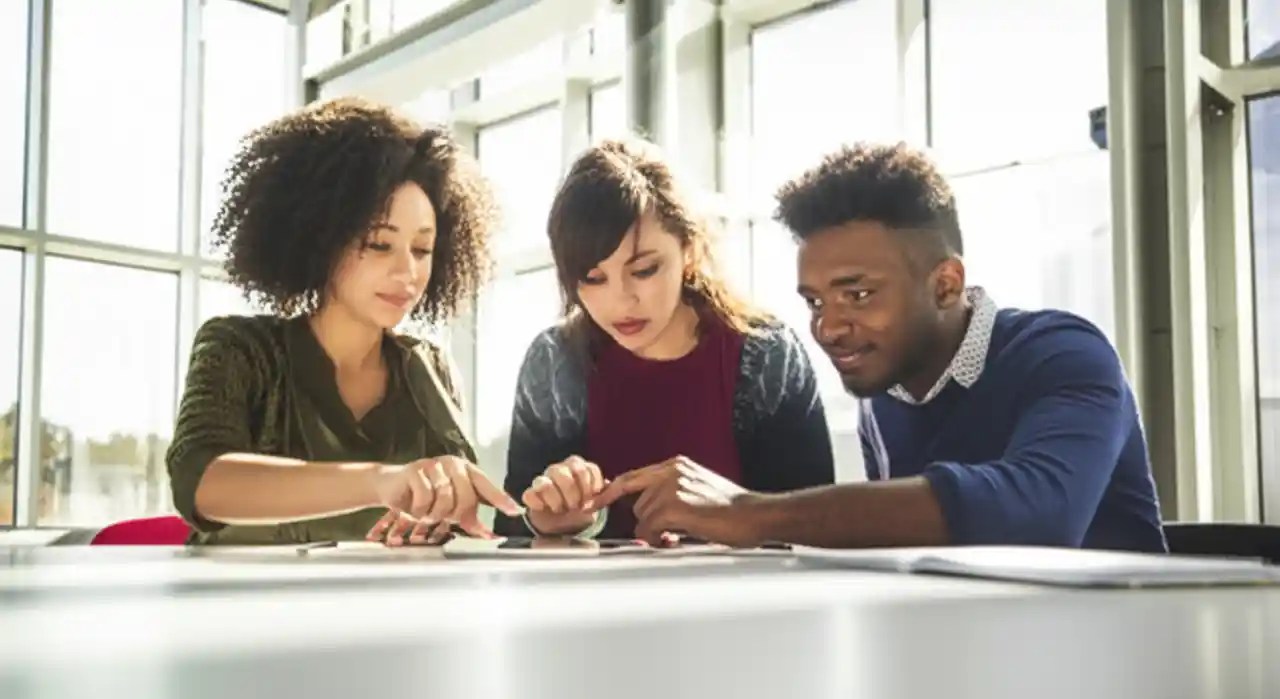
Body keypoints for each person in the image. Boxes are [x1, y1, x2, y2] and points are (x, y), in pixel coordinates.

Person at [590, 142, 1168, 552]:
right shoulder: (884, 393)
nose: (828, 328)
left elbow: (1039, 514)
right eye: (815, 302)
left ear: (946, 284)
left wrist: (745, 512)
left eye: (859, 295)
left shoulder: (1065, 354)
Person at [166, 97, 522, 546]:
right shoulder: (239, 347)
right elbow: (201, 483)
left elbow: (450, 516)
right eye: (379, 244)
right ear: (323, 239)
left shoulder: (429, 369)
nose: (408, 271)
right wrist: (380, 481)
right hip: (238, 593)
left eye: (422, 250)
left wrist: (440, 515)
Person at [496, 138, 834, 540]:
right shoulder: (555, 362)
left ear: (688, 249)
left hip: (738, 581)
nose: (622, 300)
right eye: (593, 278)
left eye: (644, 270)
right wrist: (546, 520)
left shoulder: (765, 355)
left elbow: (814, 524)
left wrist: (727, 515)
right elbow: (510, 527)